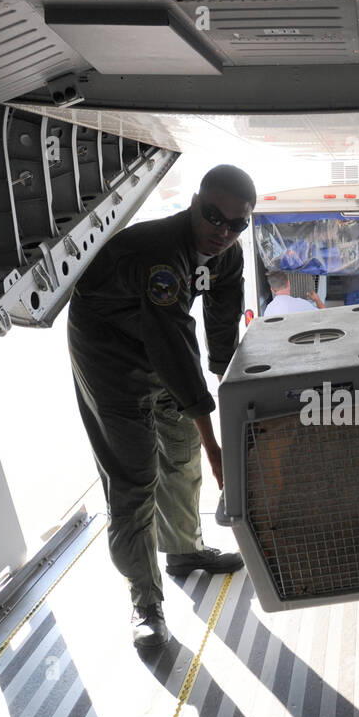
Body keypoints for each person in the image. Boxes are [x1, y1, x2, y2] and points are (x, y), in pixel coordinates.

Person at [67, 165, 255, 649]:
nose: (223, 232)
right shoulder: (162, 255)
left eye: (238, 225)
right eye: (214, 217)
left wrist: (223, 377)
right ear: (194, 202)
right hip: (108, 355)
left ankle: (185, 550)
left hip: (157, 339)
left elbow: (221, 319)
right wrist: (216, 443)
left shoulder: (225, 255)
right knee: (134, 478)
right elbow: (170, 344)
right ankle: (145, 602)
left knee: (182, 449)